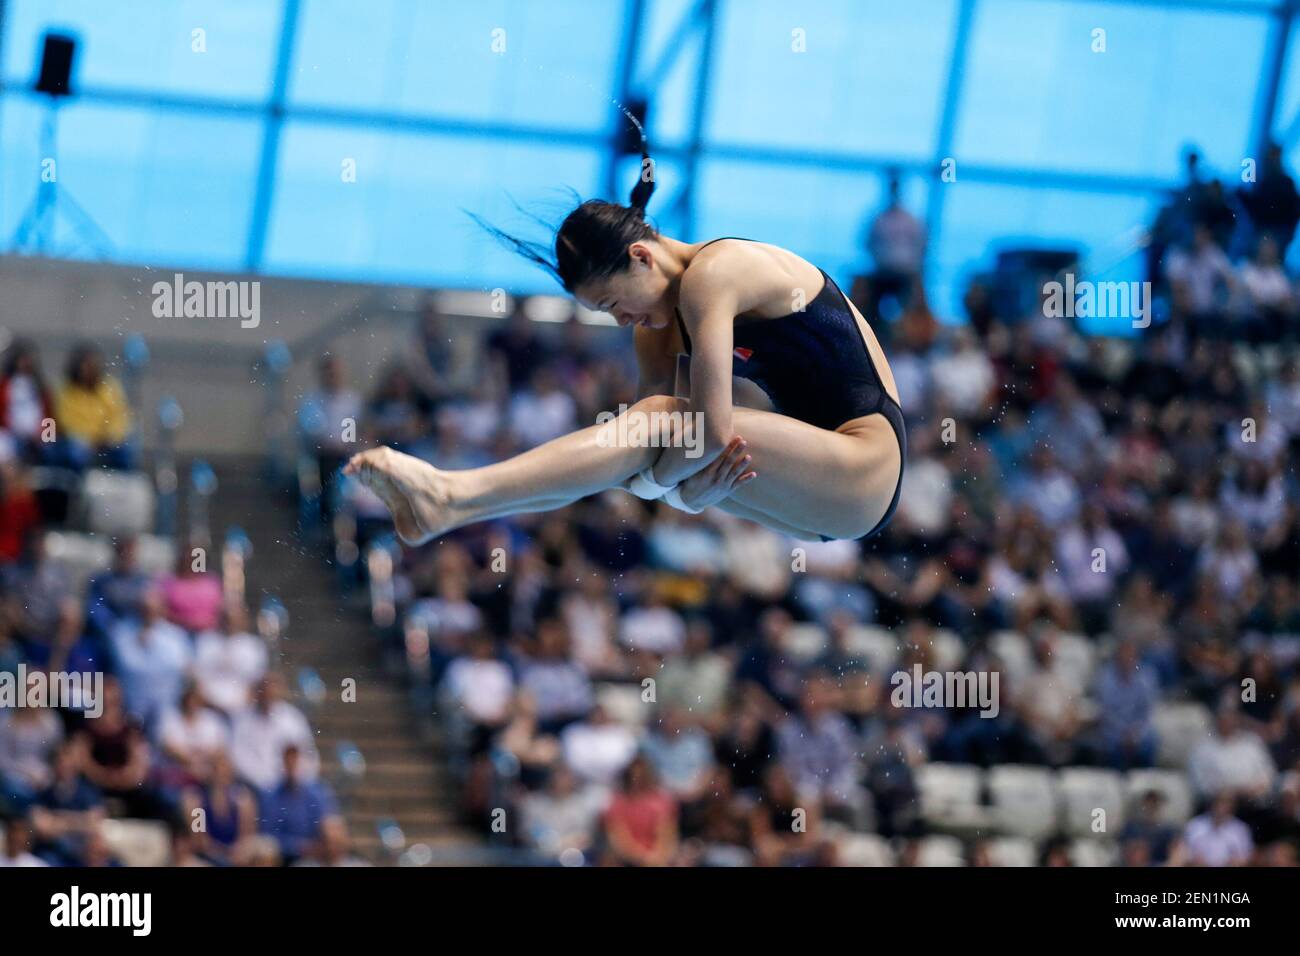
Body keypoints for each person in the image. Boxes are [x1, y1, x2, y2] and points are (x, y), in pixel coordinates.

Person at [345, 143, 905, 546]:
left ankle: (452, 495)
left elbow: (705, 436)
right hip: (810, 503)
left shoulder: (717, 272)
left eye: (614, 304)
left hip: (865, 466)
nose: (620, 322)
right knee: (654, 434)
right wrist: (678, 486)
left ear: (642, 257)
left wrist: (678, 488)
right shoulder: (656, 330)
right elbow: (653, 465)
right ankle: (446, 509)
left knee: (663, 423)